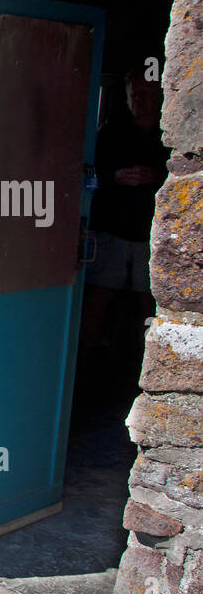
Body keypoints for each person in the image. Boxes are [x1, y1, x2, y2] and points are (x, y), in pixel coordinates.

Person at [77, 69, 168, 414]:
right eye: (134, 95)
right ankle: (79, 376)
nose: (140, 101)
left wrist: (156, 176)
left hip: (151, 236)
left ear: (160, 97)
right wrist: (116, 176)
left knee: (151, 307)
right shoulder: (112, 132)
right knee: (97, 304)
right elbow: (90, 174)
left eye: (147, 94)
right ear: (127, 97)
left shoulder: (167, 135)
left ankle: (152, 379)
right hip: (113, 233)